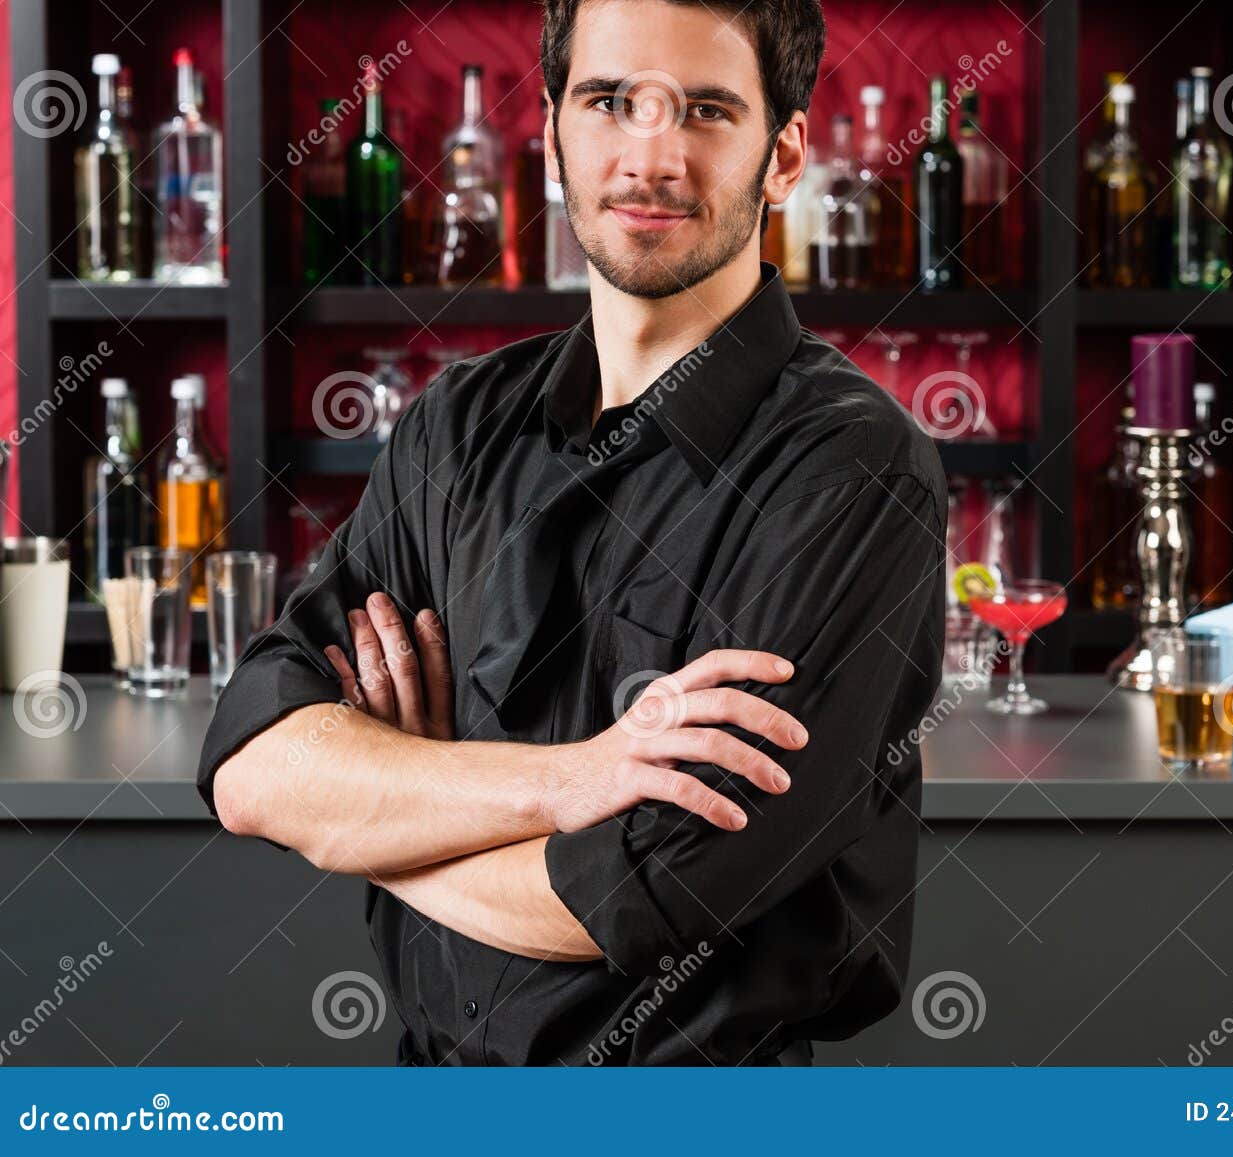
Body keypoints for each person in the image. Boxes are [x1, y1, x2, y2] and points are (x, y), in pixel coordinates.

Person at [198, 0, 947, 1065]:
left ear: (781, 158)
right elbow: (253, 766)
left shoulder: (850, 470)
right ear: (551, 134)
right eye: (608, 102)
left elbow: (644, 890)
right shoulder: (455, 428)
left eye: (705, 110)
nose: (651, 157)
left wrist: (379, 820)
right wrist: (570, 777)